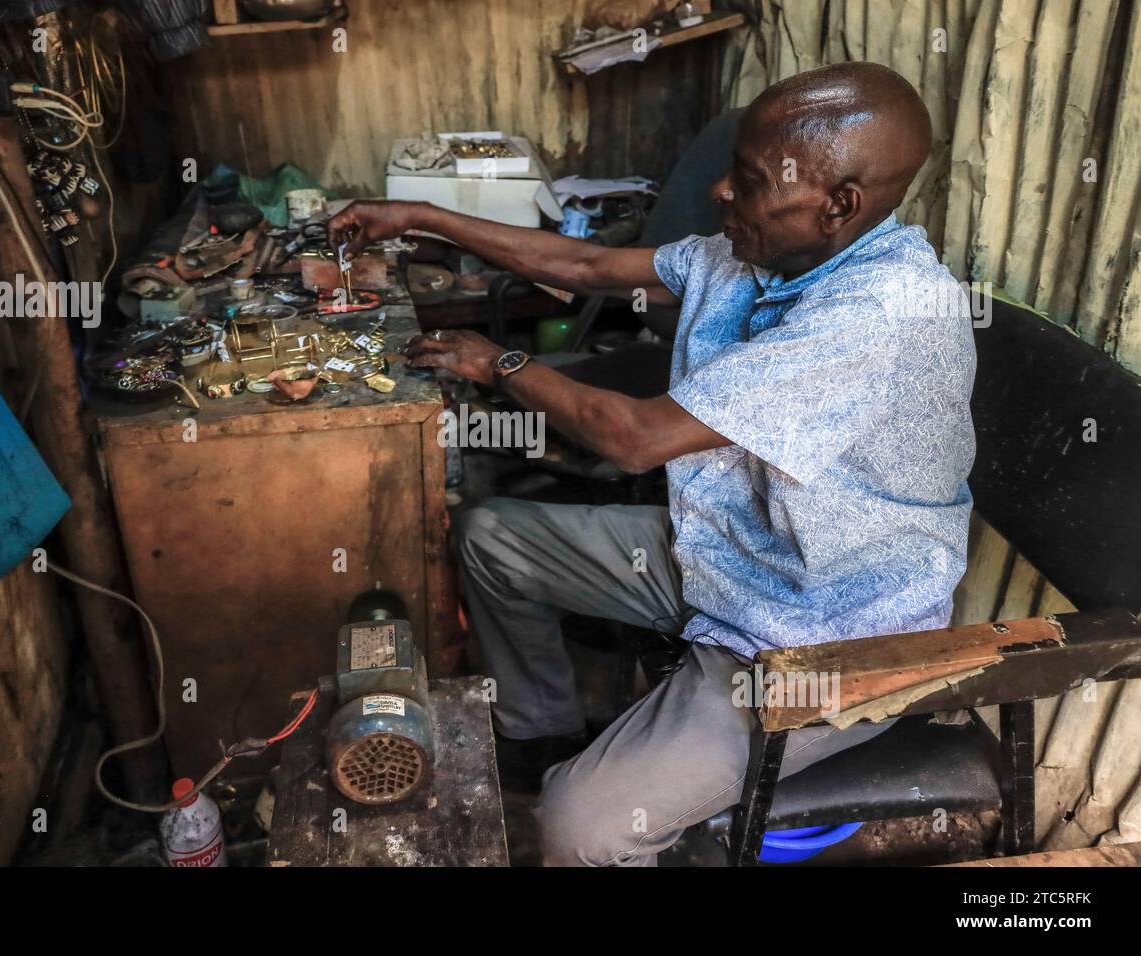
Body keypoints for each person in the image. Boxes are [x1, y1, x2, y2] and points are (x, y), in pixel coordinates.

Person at [328, 61, 976, 866]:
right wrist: (422, 216)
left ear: (839, 205)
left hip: (819, 634)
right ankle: (539, 736)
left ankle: (584, 791)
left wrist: (497, 364)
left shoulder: (878, 313)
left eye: (746, 180)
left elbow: (633, 436)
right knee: (492, 538)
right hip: (726, 555)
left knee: (579, 827)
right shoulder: (763, 253)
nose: (719, 194)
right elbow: (588, 268)